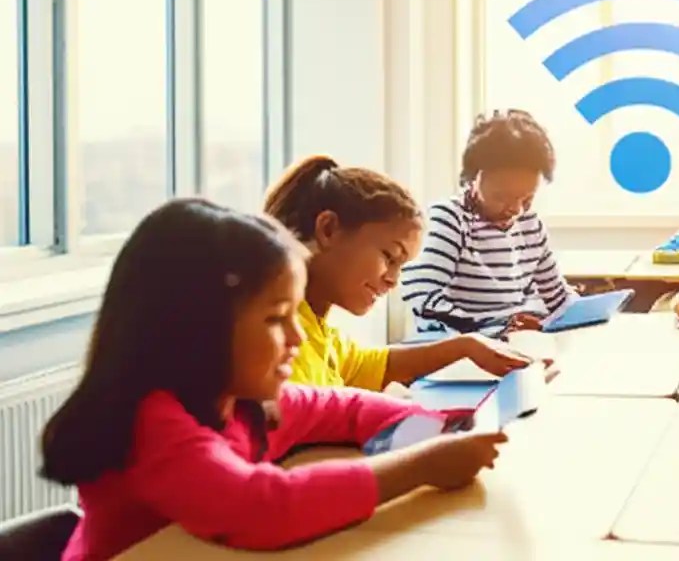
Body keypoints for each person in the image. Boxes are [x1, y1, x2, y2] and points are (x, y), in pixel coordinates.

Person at [40, 199, 507, 561]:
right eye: (275, 318)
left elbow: (342, 408)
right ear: (197, 327)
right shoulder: (155, 423)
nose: (296, 336)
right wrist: (422, 464)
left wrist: (434, 426)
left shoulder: (238, 402)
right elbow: (263, 508)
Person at [263, 155, 531, 390]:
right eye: (389, 257)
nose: (393, 280)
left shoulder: (316, 327)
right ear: (329, 229)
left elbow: (372, 365)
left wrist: (466, 346)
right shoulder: (282, 339)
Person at [401, 110, 577, 338]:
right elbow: (423, 298)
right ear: (475, 177)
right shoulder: (450, 219)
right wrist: (496, 328)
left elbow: (558, 298)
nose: (515, 209)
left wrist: (584, 312)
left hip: (516, 342)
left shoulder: (530, 225)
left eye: (527, 199)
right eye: (501, 197)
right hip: (461, 346)